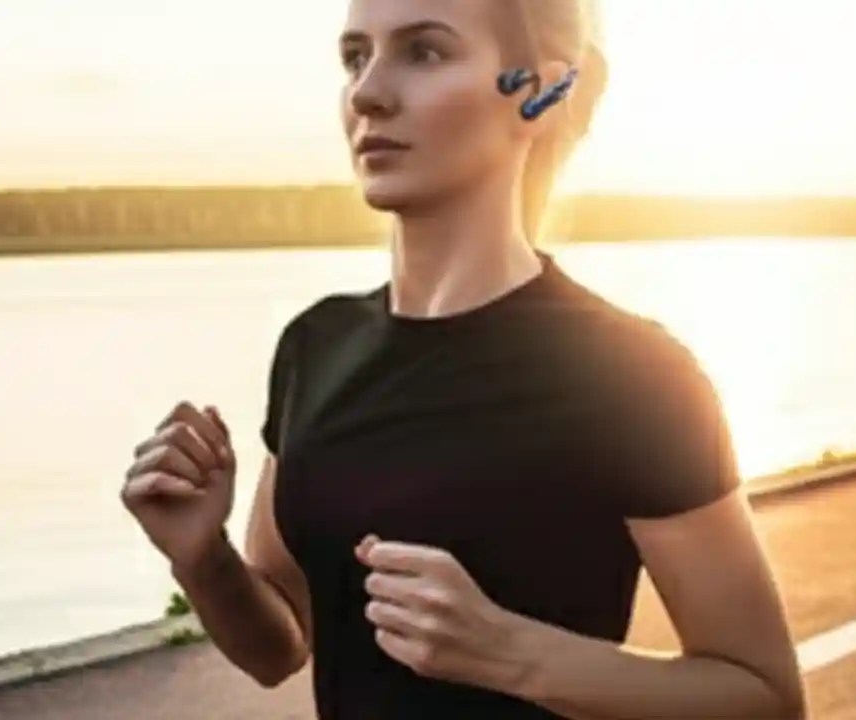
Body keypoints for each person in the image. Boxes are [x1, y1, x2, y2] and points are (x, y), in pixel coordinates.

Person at [121, 0, 807, 717]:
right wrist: (202, 558)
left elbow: (765, 696)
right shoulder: (313, 348)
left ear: (539, 92)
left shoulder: (632, 373)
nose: (368, 92)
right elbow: (279, 646)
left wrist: (512, 654)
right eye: (356, 58)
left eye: (423, 53)